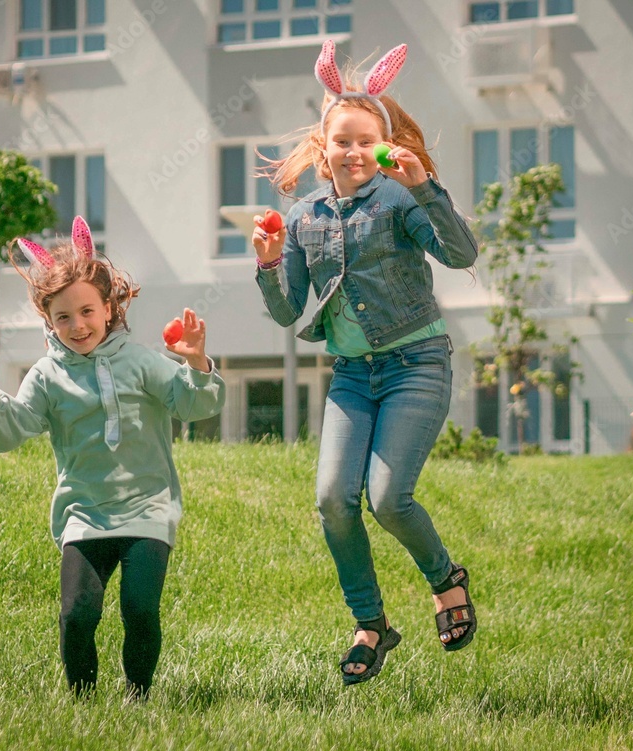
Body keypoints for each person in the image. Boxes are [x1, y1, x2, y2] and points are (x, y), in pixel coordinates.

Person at [252, 40, 480, 686]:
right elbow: (287, 308)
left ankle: (445, 577)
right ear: (324, 150)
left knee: (387, 496)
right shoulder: (302, 219)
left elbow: (461, 254)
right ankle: (371, 622)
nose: (352, 153)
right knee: (332, 497)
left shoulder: (401, 200)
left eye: (365, 141)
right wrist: (269, 262)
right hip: (353, 376)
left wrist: (425, 187)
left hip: (417, 364)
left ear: (383, 146)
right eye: (341, 142)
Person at [0, 216, 225, 700]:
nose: (76, 325)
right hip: (84, 514)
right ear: (48, 321)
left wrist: (197, 364)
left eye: (86, 311)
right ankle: (84, 705)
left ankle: (137, 698)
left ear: (108, 307)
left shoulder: (142, 360)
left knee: (140, 610)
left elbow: (196, 405)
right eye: (63, 317)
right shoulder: (45, 375)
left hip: (148, 509)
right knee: (77, 614)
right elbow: (8, 433)